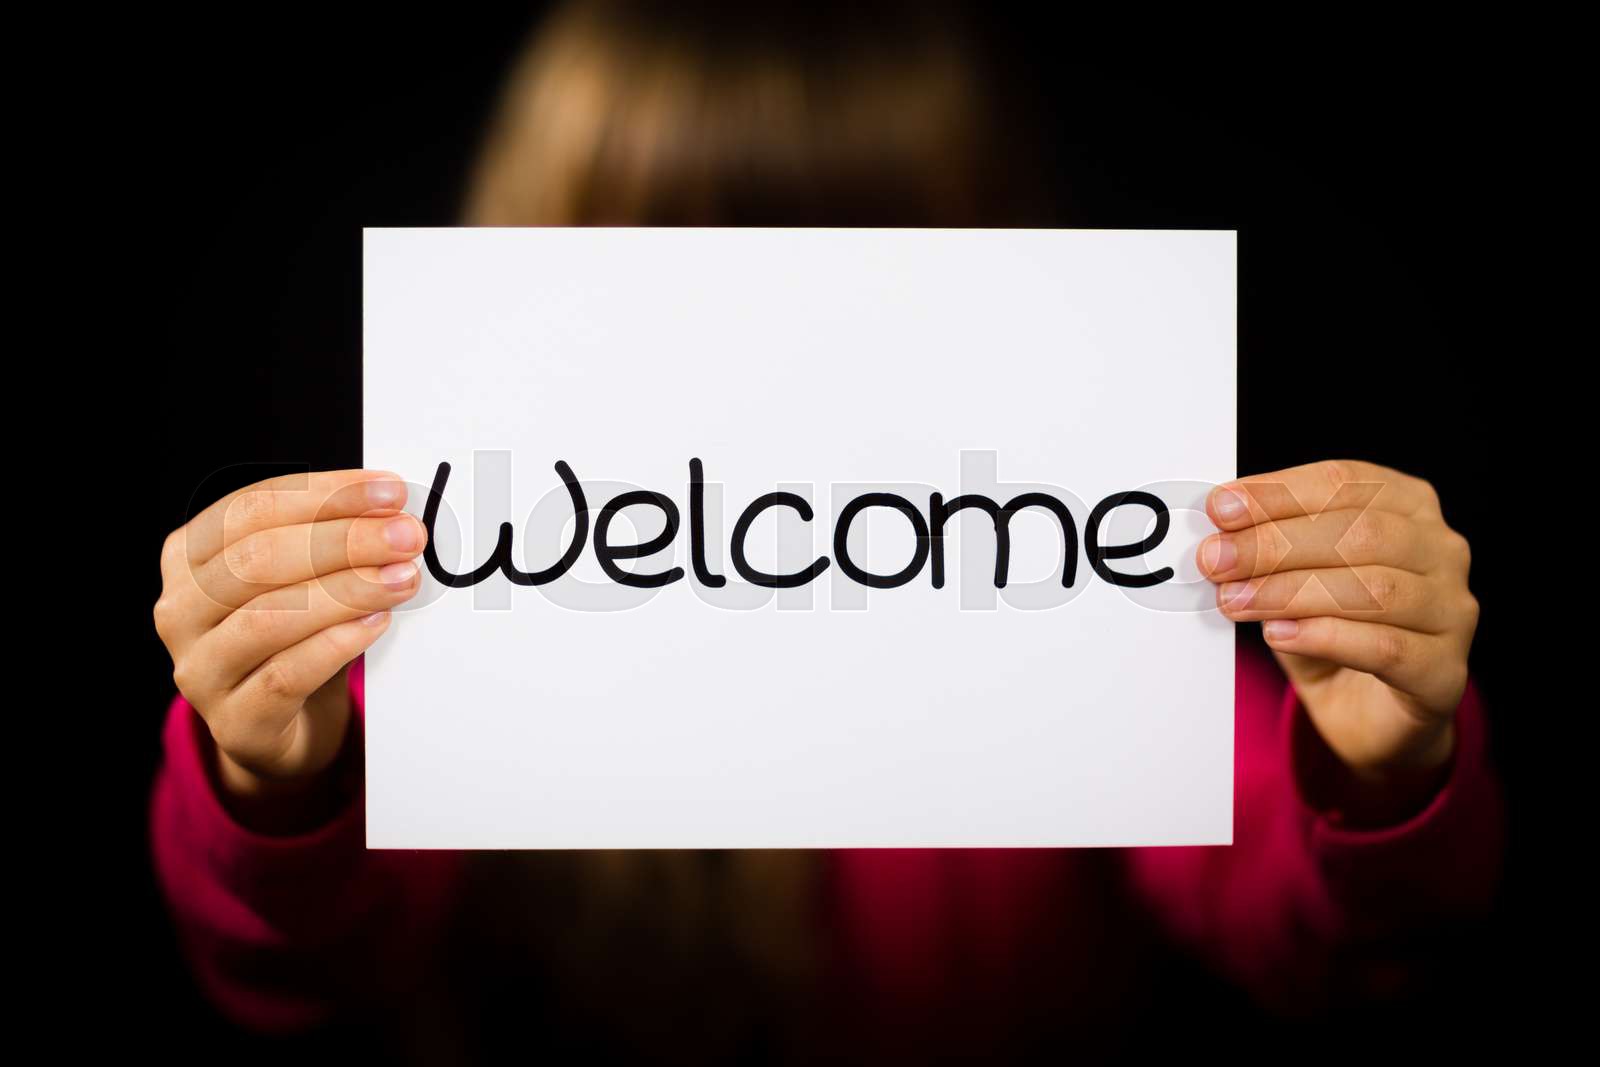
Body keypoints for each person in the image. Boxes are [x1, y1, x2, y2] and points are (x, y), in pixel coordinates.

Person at [149, 2, 1502, 1061]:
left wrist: (1378, 775)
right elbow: (306, 977)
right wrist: (277, 783)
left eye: (859, 260)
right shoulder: (457, 628)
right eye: (669, 257)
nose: (765, 350)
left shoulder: (1075, 604)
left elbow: (1312, 937)